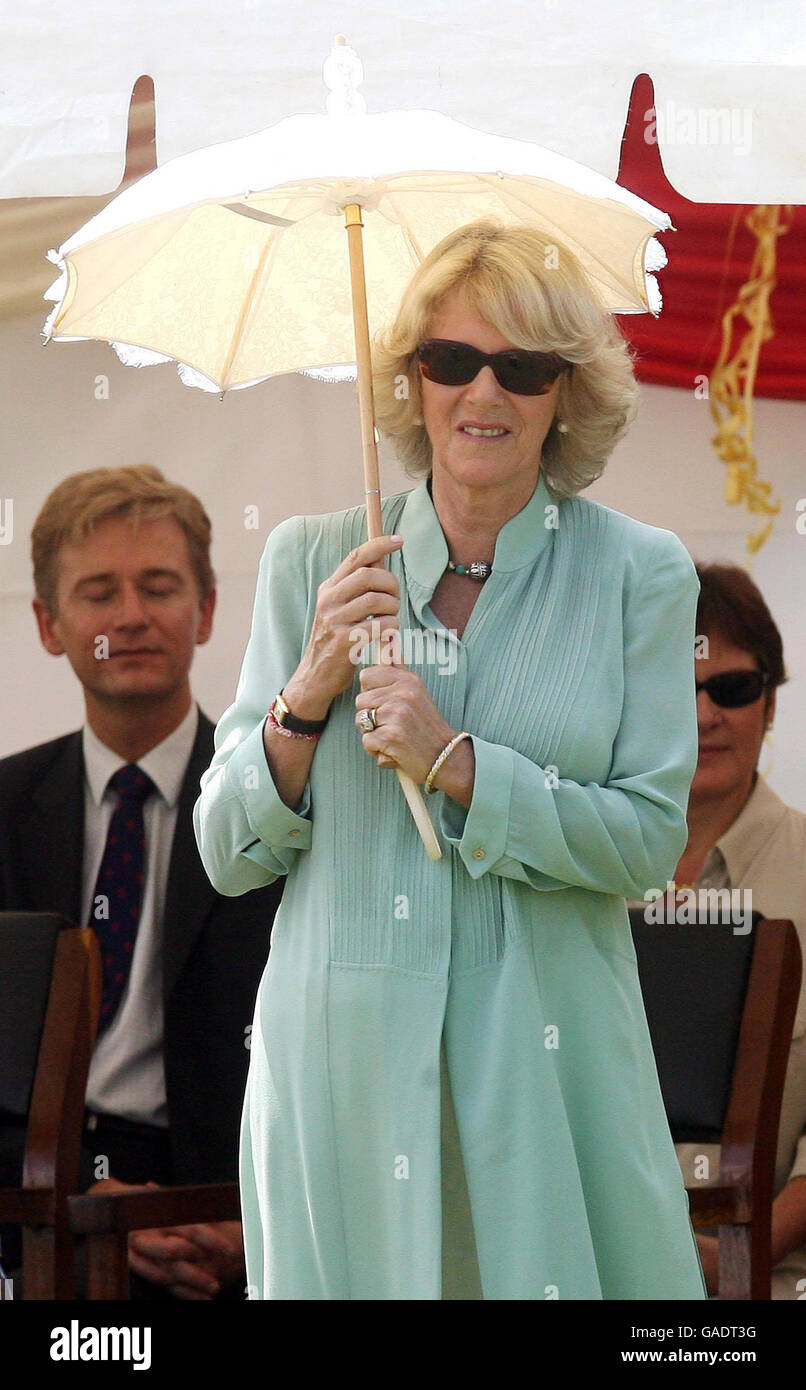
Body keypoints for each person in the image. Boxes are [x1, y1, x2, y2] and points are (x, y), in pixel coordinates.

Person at [193, 219, 708, 1300]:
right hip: (339, 1059)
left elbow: (647, 843)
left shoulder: (638, 575)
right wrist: (310, 687)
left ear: (564, 392)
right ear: (412, 383)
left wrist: (459, 764)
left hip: (545, 1058)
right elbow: (226, 853)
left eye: (520, 367)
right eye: (450, 360)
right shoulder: (307, 559)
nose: (484, 393)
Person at [0, 465, 283, 1299]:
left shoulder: (283, 805)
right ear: (50, 625)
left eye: (158, 586)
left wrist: (256, 1223)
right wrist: (69, 1200)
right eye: (98, 593)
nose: (130, 616)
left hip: (235, 1218)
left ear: (206, 611)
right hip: (43, 1215)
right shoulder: (2, 810)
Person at [672, 563, 806, 1298]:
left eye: (732, 688)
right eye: (678, 688)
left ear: (772, 701)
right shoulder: (578, 882)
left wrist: (728, 1268)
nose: (703, 715)